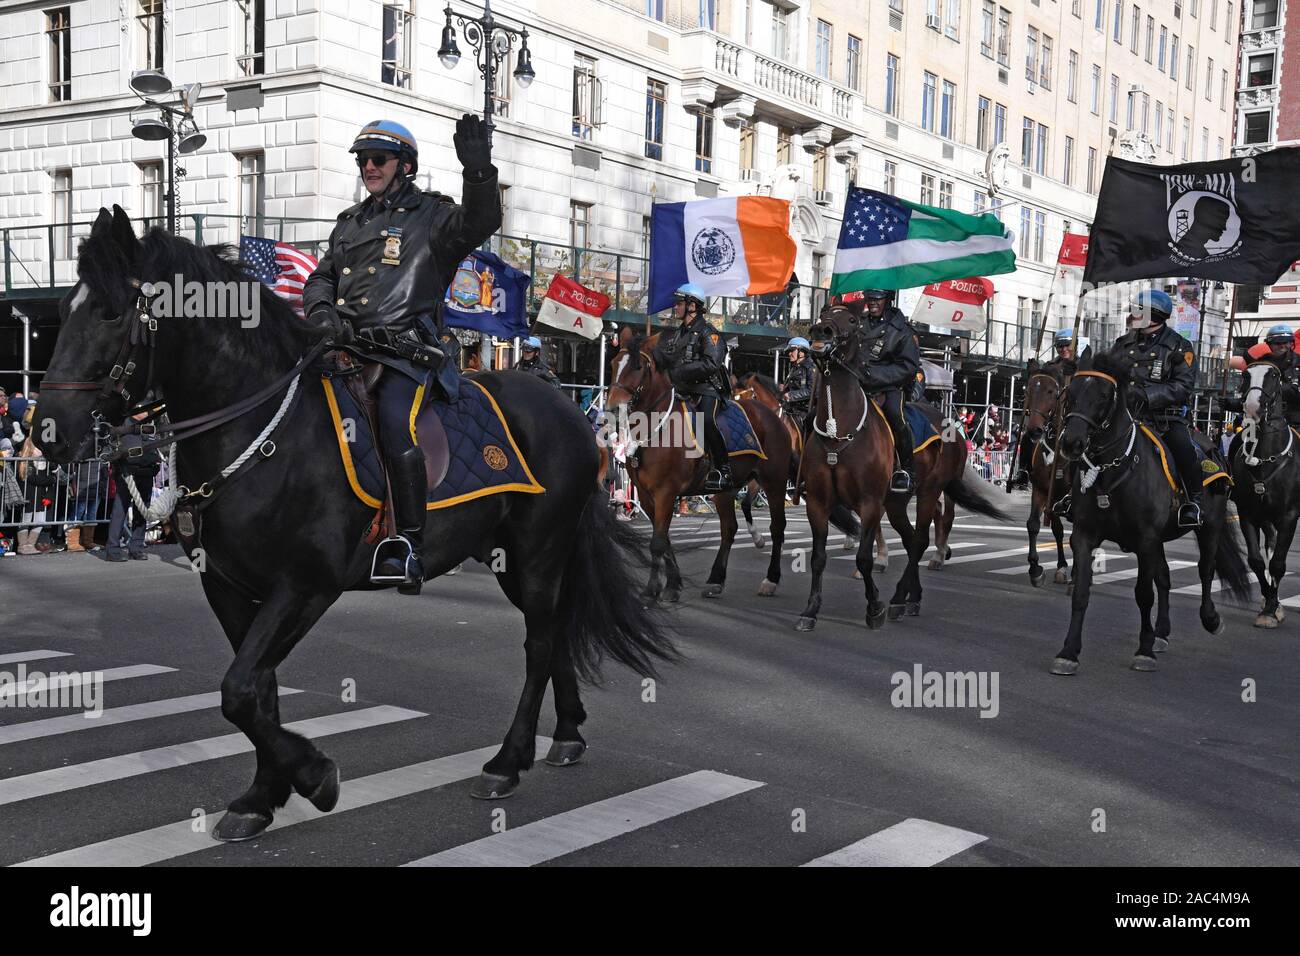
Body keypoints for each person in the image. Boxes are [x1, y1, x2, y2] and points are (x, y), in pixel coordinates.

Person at [302, 114, 500, 594]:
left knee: (394, 421)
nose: (369, 167)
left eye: (379, 159)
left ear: (404, 165)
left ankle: (408, 544)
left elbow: (480, 221)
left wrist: (478, 173)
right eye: (362, 160)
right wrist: (322, 311)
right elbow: (322, 276)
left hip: (404, 354)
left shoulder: (432, 216)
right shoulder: (349, 223)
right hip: (345, 347)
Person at [1113, 288, 1203, 527]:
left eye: (1136, 311)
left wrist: (1146, 395)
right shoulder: (1122, 344)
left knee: (1184, 448)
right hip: (1127, 416)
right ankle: (1075, 495)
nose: (1131, 315)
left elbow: (1183, 386)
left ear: (1153, 316)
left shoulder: (1179, 346)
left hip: (1164, 419)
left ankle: (1193, 501)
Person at [653, 282, 734, 492]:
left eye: (680, 303)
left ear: (692, 306)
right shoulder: (677, 334)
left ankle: (723, 470)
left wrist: (679, 371)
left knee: (705, 420)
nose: (676, 307)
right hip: (681, 390)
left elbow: (711, 363)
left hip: (706, 390)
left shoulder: (709, 333)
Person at [847, 288, 922, 494]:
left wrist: (873, 374)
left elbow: (908, 367)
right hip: (855, 384)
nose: (872, 302)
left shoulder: (902, 331)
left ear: (888, 299)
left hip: (888, 387)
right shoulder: (857, 323)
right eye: (870, 298)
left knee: (895, 416)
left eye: (877, 298)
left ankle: (906, 471)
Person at [1009, 328, 1077, 490]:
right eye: (1059, 346)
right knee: (1028, 435)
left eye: (1067, 345)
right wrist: (1033, 372)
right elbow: (1040, 386)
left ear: (1073, 345)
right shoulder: (1050, 365)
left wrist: (1074, 371)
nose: (1063, 349)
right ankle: (1023, 471)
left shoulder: (1081, 364)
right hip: (1052, 413)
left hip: (1074, 411)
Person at [106, 413, 161, 561]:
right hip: (127, 474)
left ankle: (136, 547)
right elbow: (112, 446)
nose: (144, 413)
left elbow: (155, 445)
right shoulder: (122, 423)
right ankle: (113, 549)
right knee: (120, 511)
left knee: (141, 513)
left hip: (146, 473)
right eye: (141, 409)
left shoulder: (150, 425)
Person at [778, 336, 815, 426]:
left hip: (804, 412)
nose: (789, 354)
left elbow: (812, 391)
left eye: (792, 350)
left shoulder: (810, 367)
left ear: (801, 353)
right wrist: (784, 388)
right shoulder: (795, 367)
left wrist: (791, 395)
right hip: (790, 408)